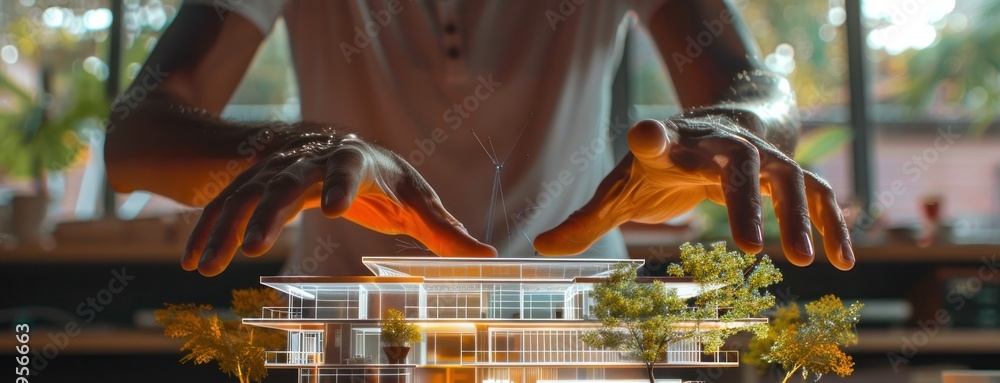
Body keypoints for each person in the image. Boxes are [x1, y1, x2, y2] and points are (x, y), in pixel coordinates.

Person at [104, 0, 855, 276]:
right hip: (356, 355)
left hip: (578, 348)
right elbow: (135, 136)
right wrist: (304, 146)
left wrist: (731, 127)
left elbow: (753, 84)